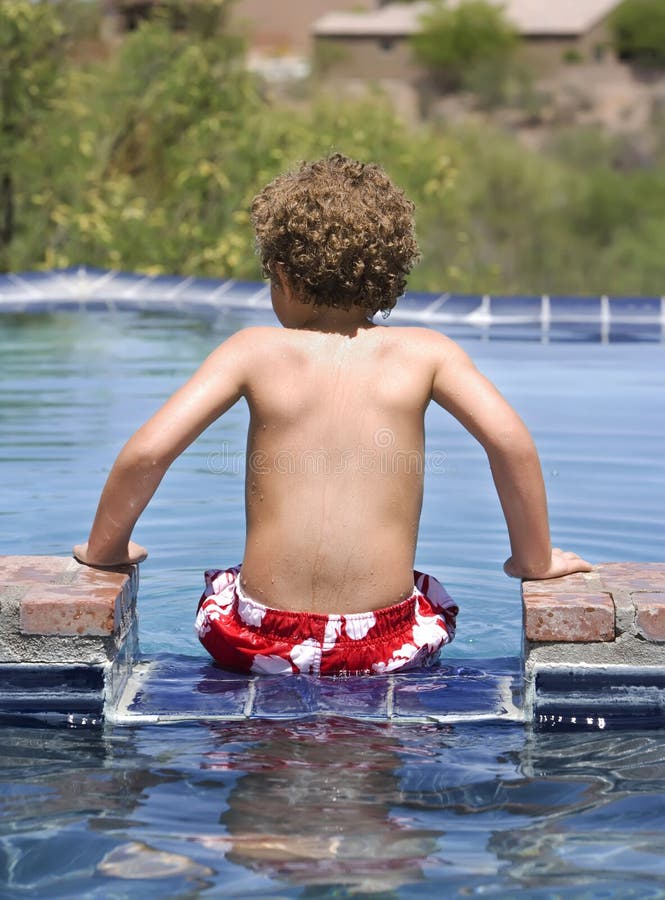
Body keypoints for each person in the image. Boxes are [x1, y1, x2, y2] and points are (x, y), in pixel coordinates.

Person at [74, 153, 591, 676]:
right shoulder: (428, 353)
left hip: (259, 639)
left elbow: (148, 451)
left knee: (230, 606)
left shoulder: (251, 350)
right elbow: (511, 444)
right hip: (385, 644)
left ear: (284, 277)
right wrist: (535, 561)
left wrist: (105, 550)